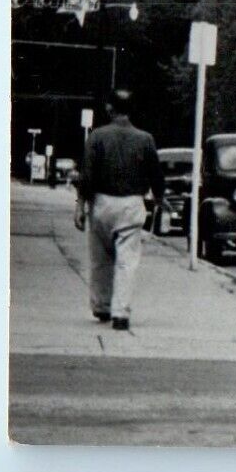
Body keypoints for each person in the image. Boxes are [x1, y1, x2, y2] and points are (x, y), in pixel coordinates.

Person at [74, 89, 163, 330]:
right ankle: (120, 312)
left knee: (100, 258)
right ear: (131, 110)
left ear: (110, 109)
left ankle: (101, 305)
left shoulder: (97, 137)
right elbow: (156, 176)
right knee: (127, 260)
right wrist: (158, 200)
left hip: (102, 203)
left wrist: (80, 206)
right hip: (132, 203)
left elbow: (87, 175)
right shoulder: (145, 139)